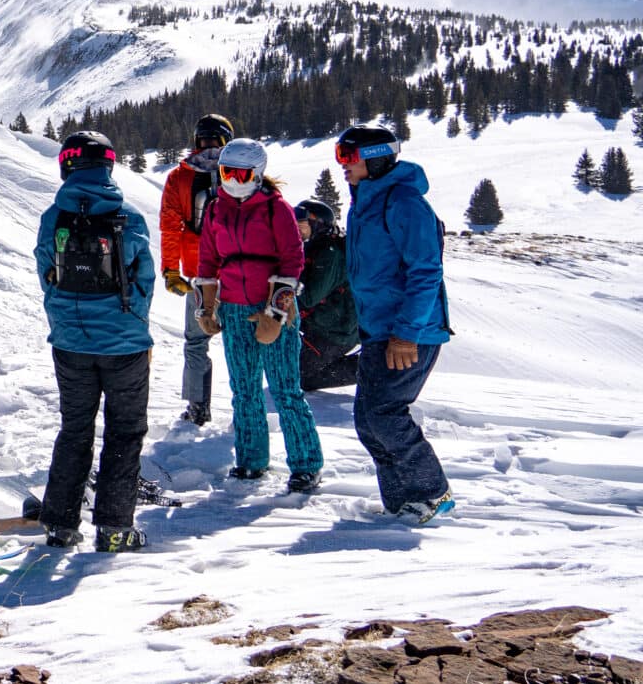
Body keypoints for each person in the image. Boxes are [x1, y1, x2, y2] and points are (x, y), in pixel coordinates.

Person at [34, 130, 155, 553]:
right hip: (125, 346)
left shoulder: (54, 218)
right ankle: (115, 528)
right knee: (124, 432)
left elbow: (46, 276)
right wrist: (133, 323)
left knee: (75, 430)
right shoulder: (130, 217)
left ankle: (60, 525)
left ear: (67, 164)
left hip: (70, 345)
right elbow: (144, 280)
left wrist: (66, 320)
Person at [337, 123, 455, 525]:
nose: (342, 166)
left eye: (347, 157)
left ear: (374, 158)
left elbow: (425, 272)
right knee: (369, 421)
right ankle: (403, 503)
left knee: (386, 414)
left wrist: (406, 333)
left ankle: (432, 494)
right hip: (378, 331)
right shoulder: (366, 200)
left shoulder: (403, 202)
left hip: (409, 332)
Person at [193, 139, 324, 493]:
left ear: (258, 173)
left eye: (241, 173)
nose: (233, 180)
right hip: (234, 308)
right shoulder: (216, 209)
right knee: (244, 389)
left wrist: (275, 313)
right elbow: (207, 259)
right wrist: (206, 305)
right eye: (226, 172)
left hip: (270, 307)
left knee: (284, 389)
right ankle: (251, 460)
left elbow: (293, 260)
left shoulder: (275, 209)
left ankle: (306, 464)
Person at [160, 113, 233, 426]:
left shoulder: (180, 176)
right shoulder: (240, 171)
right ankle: (248, 404)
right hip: (238, 271)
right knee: (243, 340)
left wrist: (170, 270)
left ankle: (198, 407)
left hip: (199, 271)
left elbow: (169, 226)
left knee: (195, 341)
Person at [295, 199, 360, 390]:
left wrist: (282, 287)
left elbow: (309, 297)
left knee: (299, 375)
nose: (296, 230)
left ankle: (369, 369)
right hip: (322, 324)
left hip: (336, 331)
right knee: (293, 370)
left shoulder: (329, 254)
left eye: (302, 225)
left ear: (318, 225)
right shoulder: (313, 247)